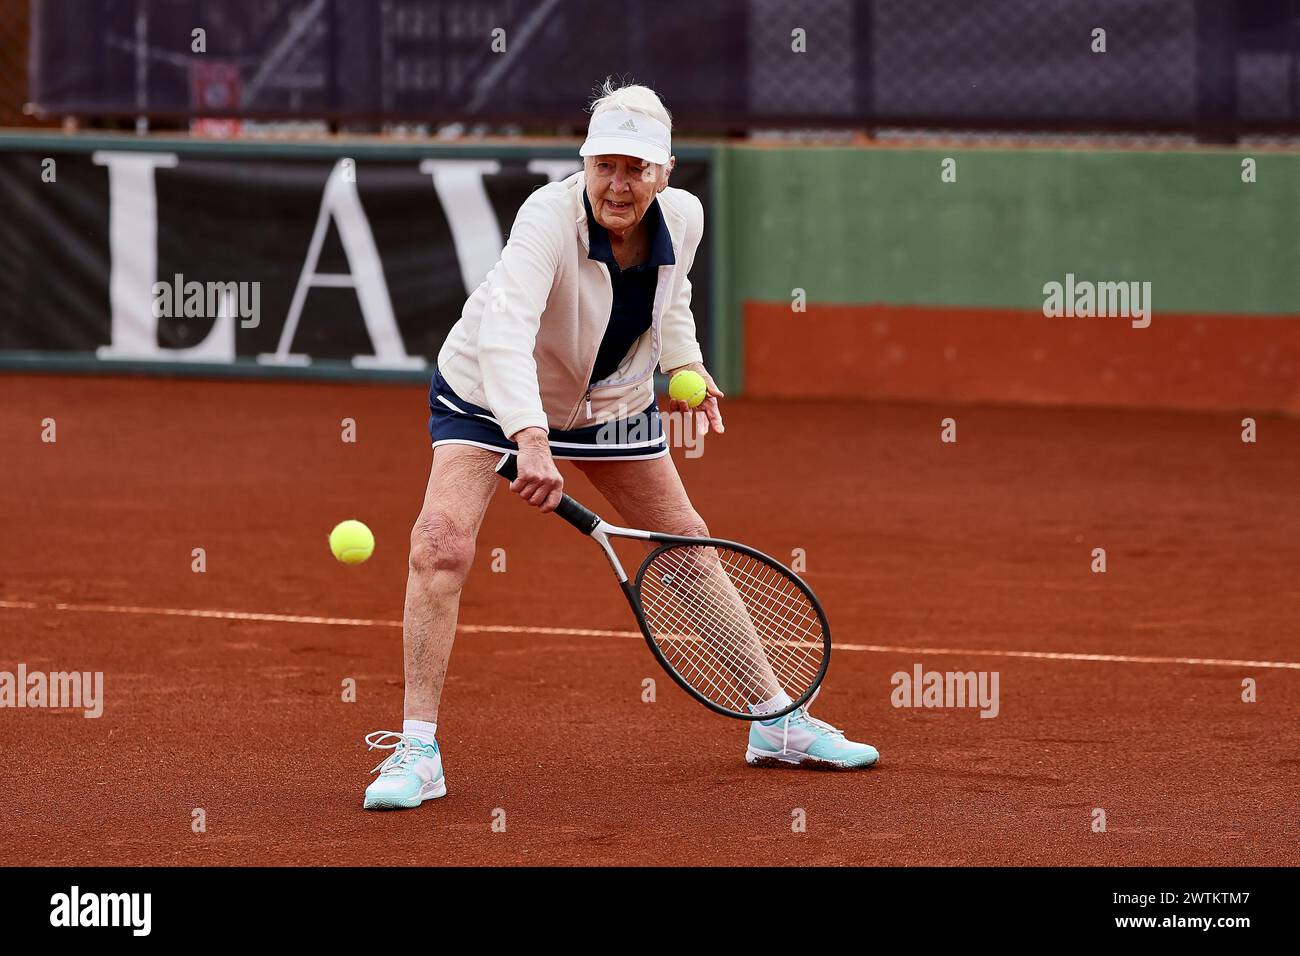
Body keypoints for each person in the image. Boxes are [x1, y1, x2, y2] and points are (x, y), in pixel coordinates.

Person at [363, 79, 879, 811]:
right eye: (606, 165)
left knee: (688, 547)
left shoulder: (685, 217)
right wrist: (530, 436)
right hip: (488, 396)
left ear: (663, 173)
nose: (619, 183)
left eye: (637, 168)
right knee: (439, 541)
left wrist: (687, 363)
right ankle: (419, 751)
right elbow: (507, 330)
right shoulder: (547, 216)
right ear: (586, 164)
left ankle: (776, 723)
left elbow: (672, 300)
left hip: (611, 405)